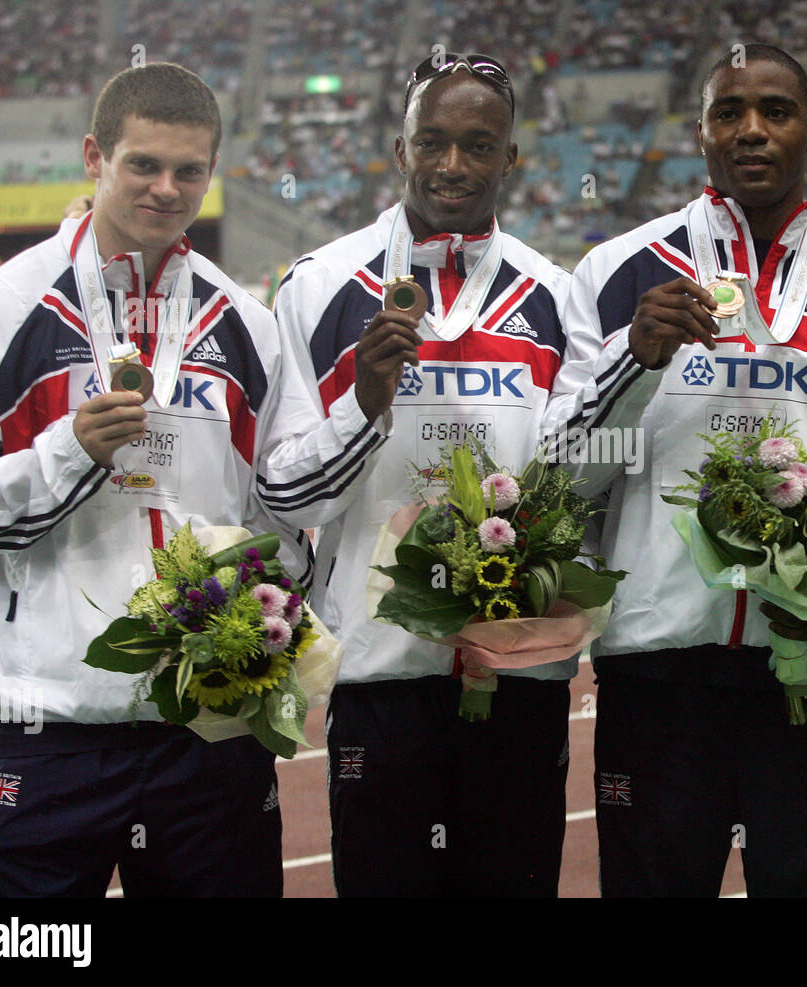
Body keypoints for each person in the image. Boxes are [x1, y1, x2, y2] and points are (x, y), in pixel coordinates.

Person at [0, 62, 400, 897]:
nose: (166, 188)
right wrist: (69, 454)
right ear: (94, 156)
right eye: (143, 165)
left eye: (189, 170)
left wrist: (363, 410)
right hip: (50, 731)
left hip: (208, 731)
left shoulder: (243, 324)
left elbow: (291, 501)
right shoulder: (1, 311)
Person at [560, 44, 807, 897]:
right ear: (703, 131)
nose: (752, 130)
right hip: (659, 673)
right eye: (730, 112)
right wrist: (631, 365)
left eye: (776, 111)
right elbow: (568, 480)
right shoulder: (616, 278)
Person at [272, 52, 596, 897]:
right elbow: (286, 493)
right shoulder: (317, 288)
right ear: (399, 148)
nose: (453, 166)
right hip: (382, 678)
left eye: (479, 145)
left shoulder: (559, 297)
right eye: (434, 142)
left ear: (511, 157)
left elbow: (580, 477)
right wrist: (365, 404)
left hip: (520, 672)